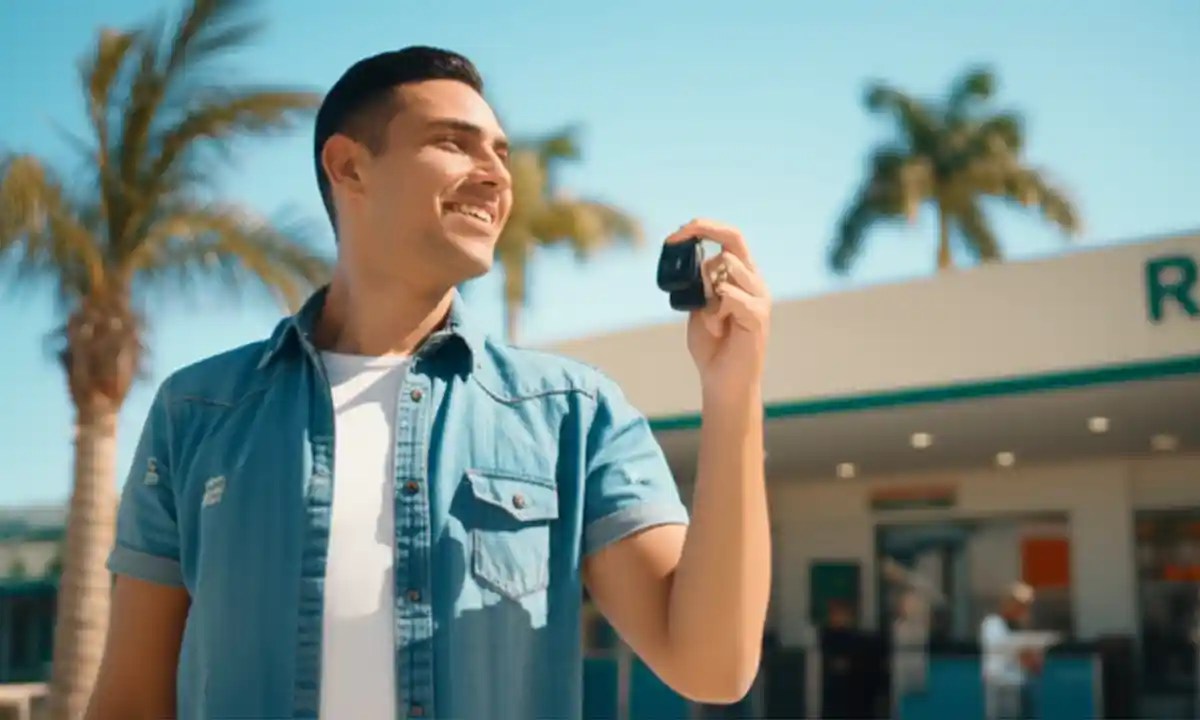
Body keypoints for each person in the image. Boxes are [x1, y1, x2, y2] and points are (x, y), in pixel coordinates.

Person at [84, 46, 772, 720]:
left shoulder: (572, 414)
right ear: (349, 166)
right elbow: (129, 702)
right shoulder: (199, 412)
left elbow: (712, 666)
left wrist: (732, 392)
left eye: (501, 153)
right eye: (455, 143)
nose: (496, 176)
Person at [980, 582, 1044, 720]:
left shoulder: (1020, 627)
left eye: (1025, 605)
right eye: (1019, 604)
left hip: (1021, 686)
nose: (1022, 609)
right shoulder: (992, 624)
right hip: (1001, 686)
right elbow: (1017, 653)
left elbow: (1035, 664)